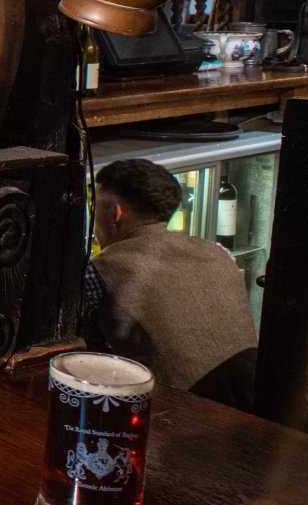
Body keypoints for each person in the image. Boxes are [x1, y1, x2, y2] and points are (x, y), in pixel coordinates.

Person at [82, 157, 257, 409]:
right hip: (253, 407)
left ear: (115, 213)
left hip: (177, 416)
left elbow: (76, 342)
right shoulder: (219, 252)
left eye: (94, 206)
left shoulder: (99, 270)